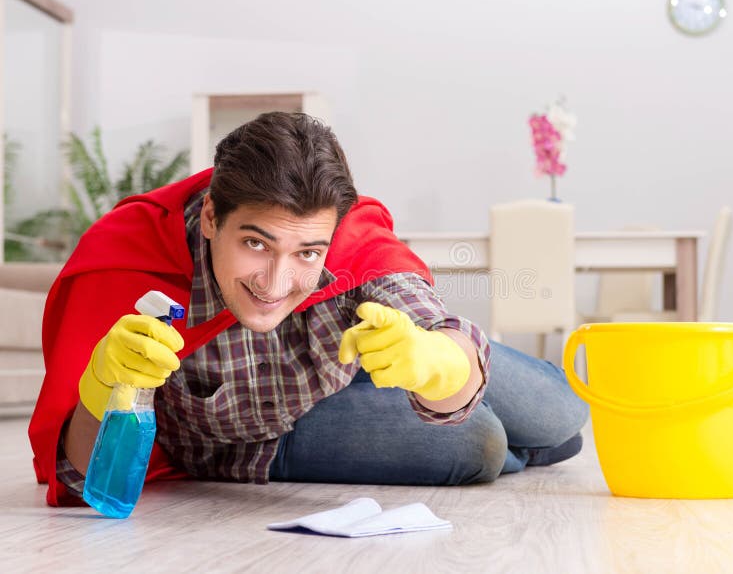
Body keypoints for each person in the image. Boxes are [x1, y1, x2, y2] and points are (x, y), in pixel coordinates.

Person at [29, 112, 588, 506]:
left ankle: (525, 433)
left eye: (307, 253)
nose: (275, 283)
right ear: (212, 218)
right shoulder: (129, 264)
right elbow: (76, 476)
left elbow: (426, 317)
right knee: (479, 442)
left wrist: (432, 361)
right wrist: (102, 387)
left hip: (344, 370)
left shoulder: (346, 235)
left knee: (562, 413)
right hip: (260, 437)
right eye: (255, 243)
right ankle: (521, 442)